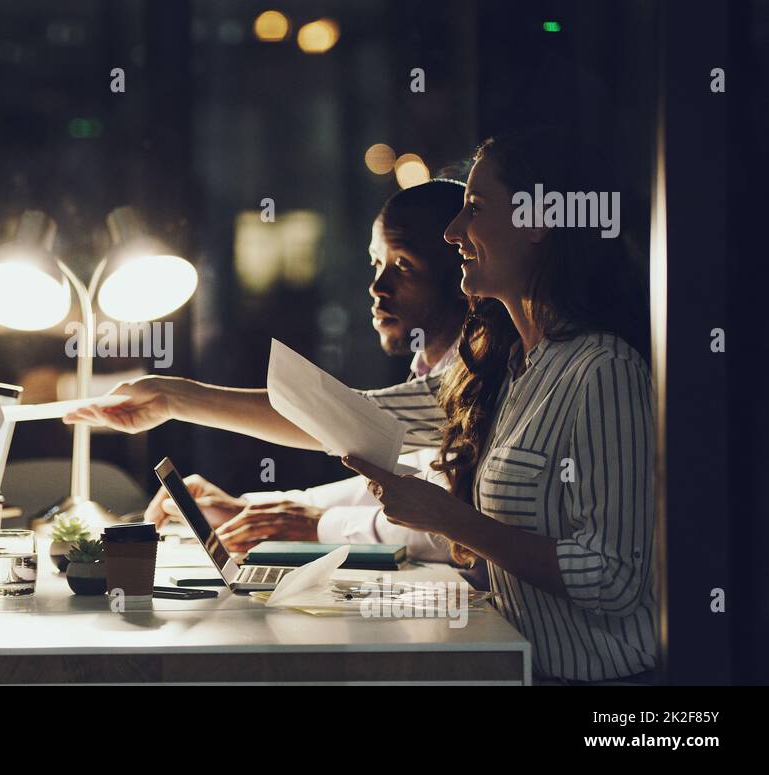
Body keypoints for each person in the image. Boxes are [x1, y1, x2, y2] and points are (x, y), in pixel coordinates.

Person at [344, 128, 655, 681]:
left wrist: (450, 520)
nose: (453, 231)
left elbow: (612, 577)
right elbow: (367, 413)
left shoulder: (604, 369)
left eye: (475, 208)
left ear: (538, 221)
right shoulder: (512, 366)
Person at [69, 181, 469, 559]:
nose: (377, 286)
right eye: (376, 262)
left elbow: (361, 420)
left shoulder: (476, 380)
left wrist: (174, 398)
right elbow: (414, 475)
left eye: (403, 265)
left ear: (462, 272)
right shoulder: (433, 371)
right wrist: (253, 510)